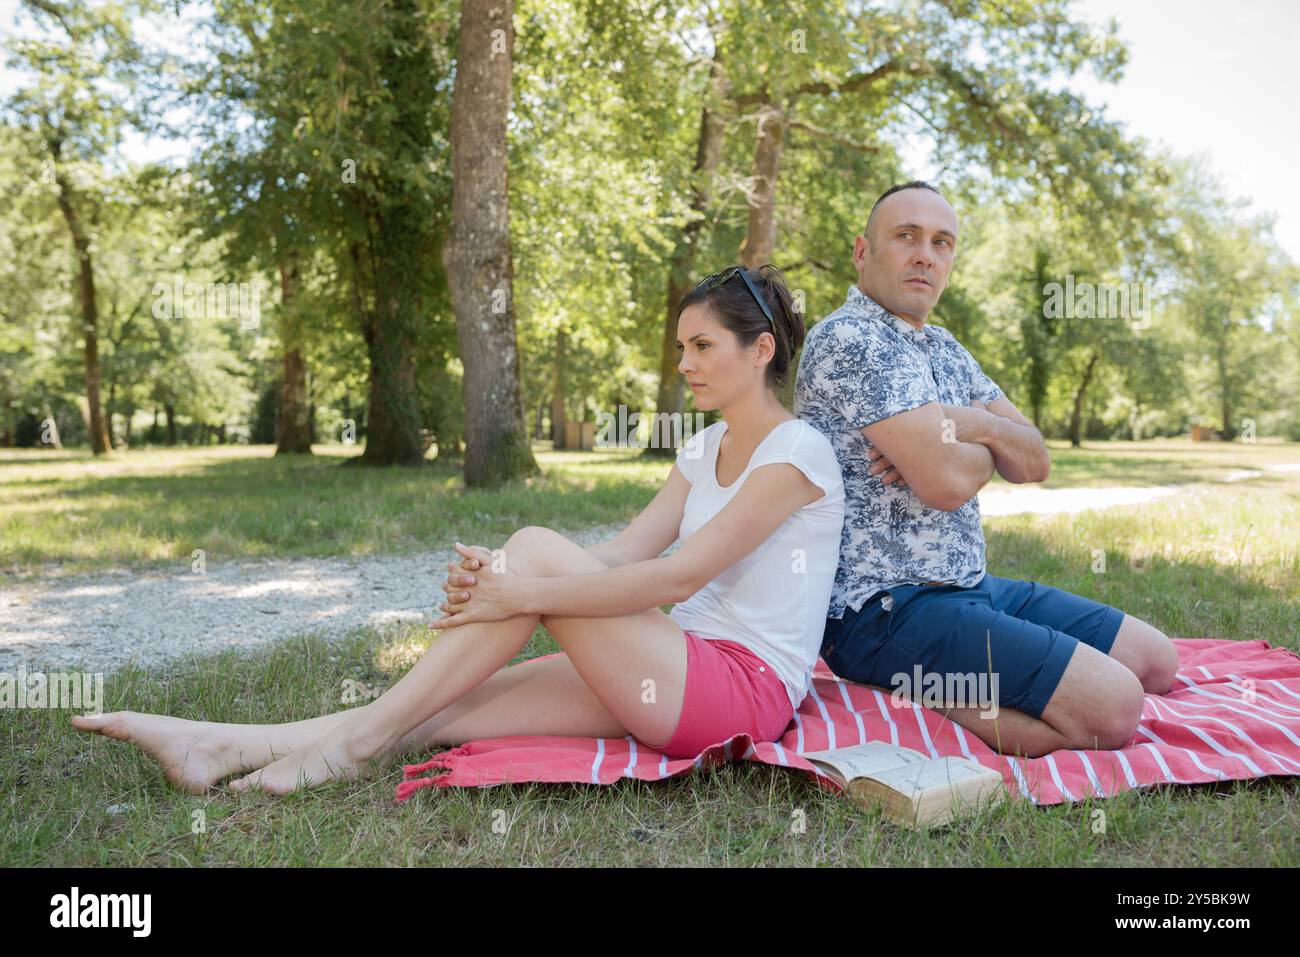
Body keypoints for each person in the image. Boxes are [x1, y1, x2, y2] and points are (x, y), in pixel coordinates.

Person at [71, 265, 846, 794]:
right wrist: (503, 582)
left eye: (701, 345)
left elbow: (677, 577)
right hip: (674, 666)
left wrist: (523, 587)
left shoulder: (798, 452)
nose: (684, 361)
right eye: (682, 345)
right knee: (446, 706)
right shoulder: (704, 445)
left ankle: (353, 747)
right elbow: (620, 555)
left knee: (537, 548)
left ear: (761, 350)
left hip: (741, 690)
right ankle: (220, 744)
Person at [793, 180, 1179, 758]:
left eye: (942, 242)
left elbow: (1035, 459)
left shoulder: (946, 347)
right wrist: (981, 443)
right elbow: (946, 485)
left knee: (1155, 662)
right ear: (862, 252)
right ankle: (920, 693)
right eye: (906, 236)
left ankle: (941, 679)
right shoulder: (849, 340)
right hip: (884, 610)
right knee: (1115, 709)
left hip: (970, 584)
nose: (926, 253)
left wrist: (975, 428)